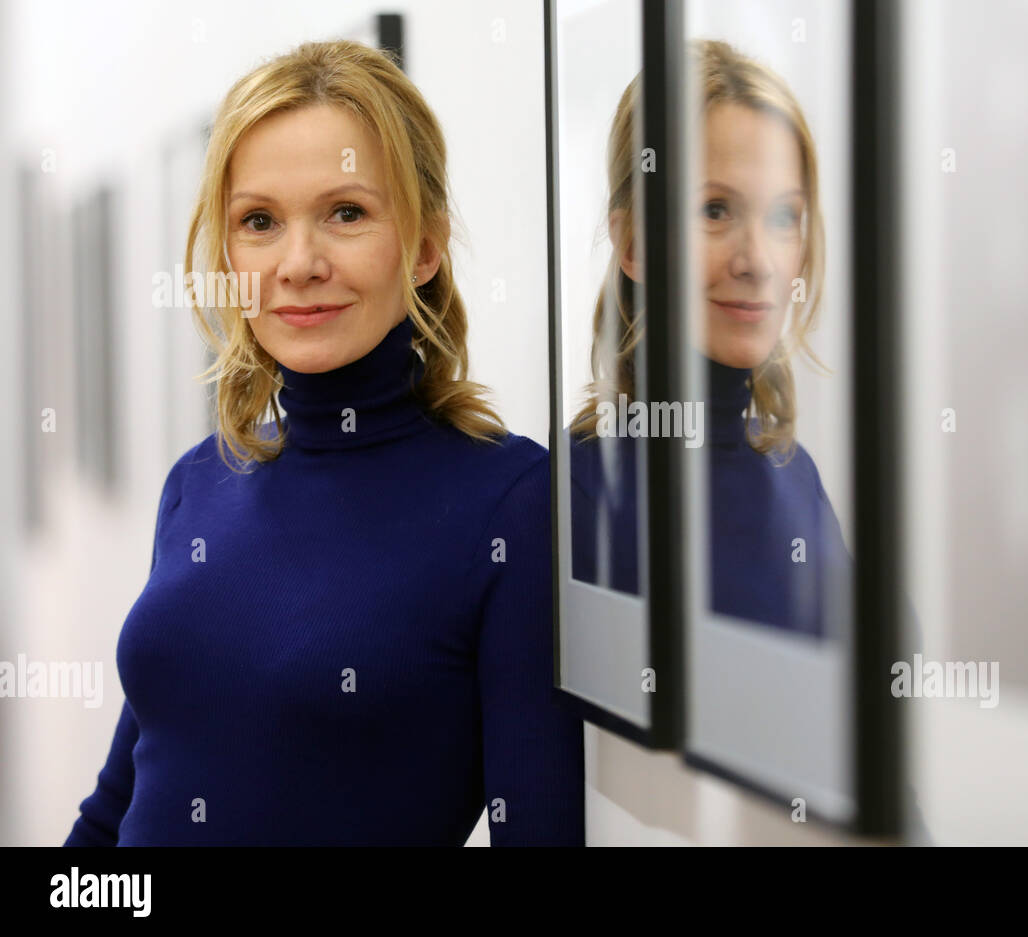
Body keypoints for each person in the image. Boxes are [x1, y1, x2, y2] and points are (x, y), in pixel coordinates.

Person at [63, 39, 584, 846]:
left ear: (423, 246)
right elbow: (113, 808)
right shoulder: (199, 481)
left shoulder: (512, 504)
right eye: (259, 221)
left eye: (346, 212)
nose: (298, 263)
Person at [568, 39, 850, 639]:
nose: (758, 261)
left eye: (782, 217)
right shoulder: (576, 493)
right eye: (716, 209)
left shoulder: (795, 473)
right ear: (634, 243)